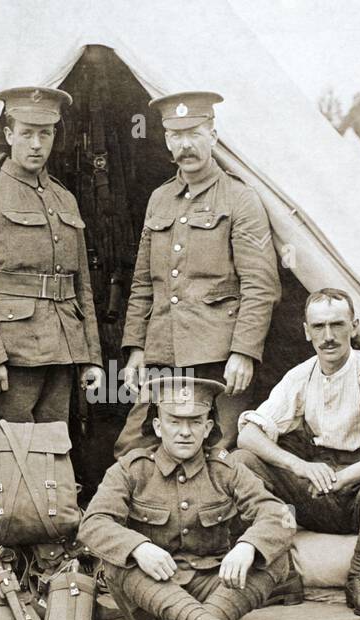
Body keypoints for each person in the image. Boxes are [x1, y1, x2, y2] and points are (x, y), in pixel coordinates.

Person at [233, 288, 360, 616]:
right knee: (241, 463)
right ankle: (278, 569)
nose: (328, 336)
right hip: (317, 492)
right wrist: (300, 466)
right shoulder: (301, 375)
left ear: (354, 326)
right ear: (306, 331)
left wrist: (349, 475)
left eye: (337, 325)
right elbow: (248, 434)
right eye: (318, 327)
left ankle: (359, 577)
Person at [79, 376, 294, 620]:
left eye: (194, 422)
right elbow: (93, 523)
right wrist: (139, 548)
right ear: (158, 426)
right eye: (174, 421)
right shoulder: (131, 469)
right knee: (118, 559)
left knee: (275, 556)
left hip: (213, 588)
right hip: (151, 595)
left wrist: (247, 546)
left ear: (207, 428)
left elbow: (279, 516)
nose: (185, 432)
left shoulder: (226, 470)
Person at [115, 91, 281, 457]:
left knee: (217, 453)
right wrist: (137, 349)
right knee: (133, 449)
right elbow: (144, 283)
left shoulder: (240, 198)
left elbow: (260, 285)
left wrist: (244, 351)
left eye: (194, 133)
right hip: (162, 353)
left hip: (218, 359)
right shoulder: (159, 200)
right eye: (176, 136)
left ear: (213, 136)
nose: (185, 145)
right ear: (166, 140)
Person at [0, 86, 104, 424]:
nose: (36, 144)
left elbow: (82, 287)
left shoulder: (65, 200)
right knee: (13, 456)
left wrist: (90, 355)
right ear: (9, 134)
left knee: (54, 453)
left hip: (63, 350)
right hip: (12, 353)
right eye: (27, 134)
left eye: (45, 134)